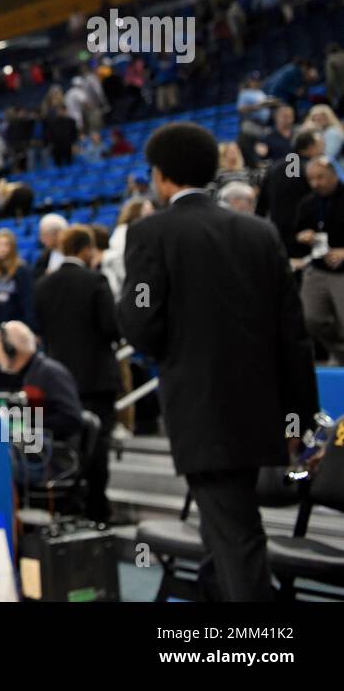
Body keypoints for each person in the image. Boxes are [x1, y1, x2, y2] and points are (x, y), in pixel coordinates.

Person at [118, 122, 318, 601]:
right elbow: (294, 334)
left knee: (238, 541)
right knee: (224, 534)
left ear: (161, 177)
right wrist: (302, 420)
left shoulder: (151, 232)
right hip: (262, 412)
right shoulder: (260, 232)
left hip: (203, 413)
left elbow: (140, 321)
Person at [34, 225, 121, 523]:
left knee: (66, 445)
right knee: (97, 447)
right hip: (96, 379)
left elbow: (41, 330)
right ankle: (98, 510)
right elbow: (112, 327)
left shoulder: (44, 285)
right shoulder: (96, 280)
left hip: (58, 379)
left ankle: (71, 506)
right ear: (86, 250)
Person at [0, 322, 83, 443]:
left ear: (11, 350)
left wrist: (25, 426)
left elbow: (72, 419)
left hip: (47, 453)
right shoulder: (20, 375)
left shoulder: (51, 373)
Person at [294, 156, 344, 363]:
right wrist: (303, 236)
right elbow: (296, 232)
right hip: (317, 268)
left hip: (342, 271)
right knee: (310, 318)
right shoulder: (308, 202)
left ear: (334, 174)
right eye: (311, 179)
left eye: (320, 178)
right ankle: (339, 351)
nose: (316, 183)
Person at [256, 129, 322, 257]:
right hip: (304, 237)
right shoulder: (311, 171)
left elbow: (261, 207)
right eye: (319, 146)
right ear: (308, 149)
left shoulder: (274, 168)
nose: (322, 150)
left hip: (277, 235)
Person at [100, 196, 154, 301]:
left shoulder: (143, 232)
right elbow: (122, 265)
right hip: (126, 289)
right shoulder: (123, 232)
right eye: (148, 212)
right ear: (135, 214)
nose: (153, 214)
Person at [0, 228, 35, 330]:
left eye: (6, 245)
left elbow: (28, 301)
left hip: (19, 325)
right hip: (0, 326)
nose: (2, 248)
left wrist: (32, 327)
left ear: (12, 247)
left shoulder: (22, 270)